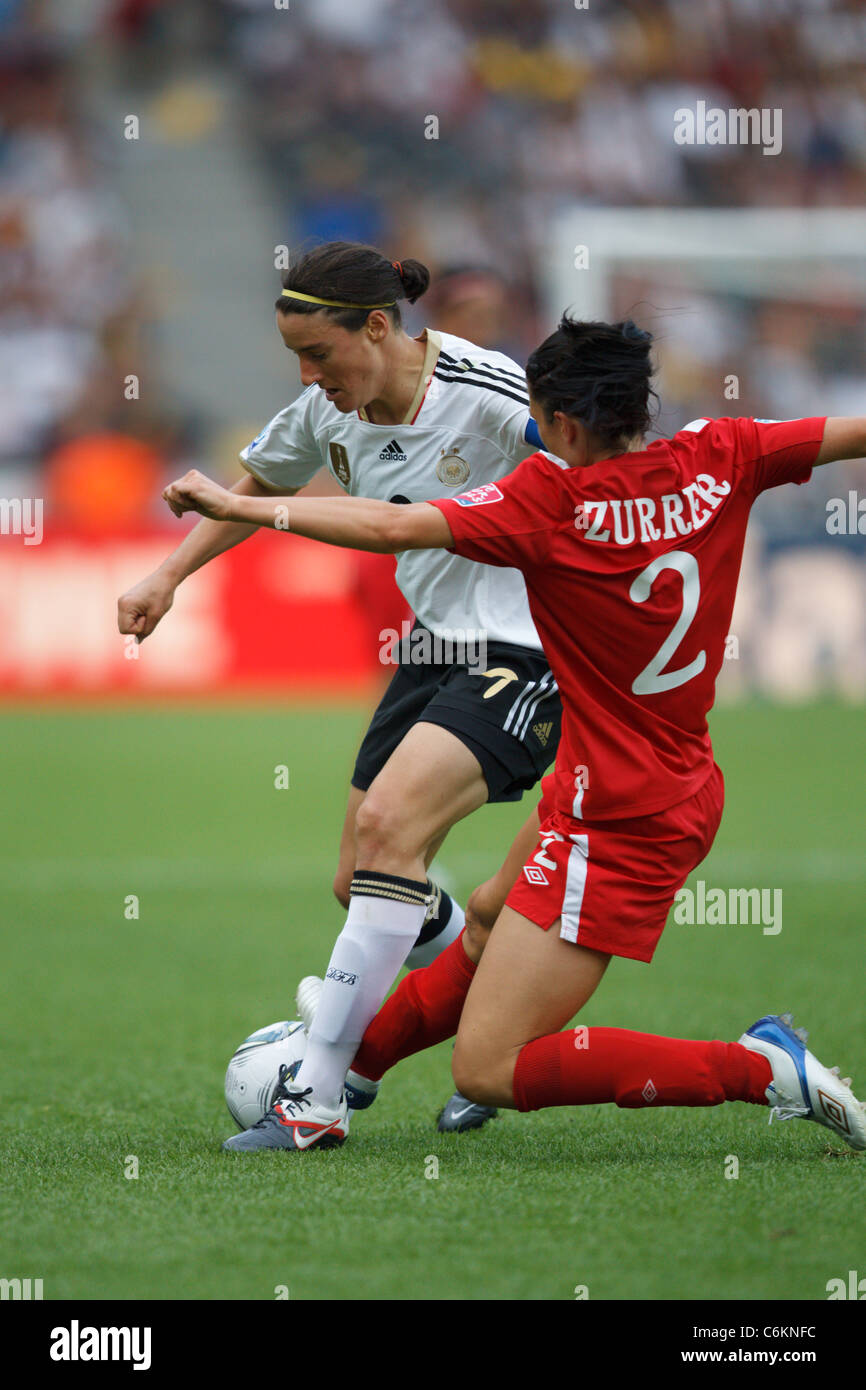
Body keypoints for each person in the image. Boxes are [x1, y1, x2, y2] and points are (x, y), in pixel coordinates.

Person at [163, 315, 865, 1154]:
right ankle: (347, 1069)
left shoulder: (553, 502)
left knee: (488, 1068)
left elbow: (392, 529)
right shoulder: (726, 450)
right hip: (644, 772)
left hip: (622, 816)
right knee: (488, 916)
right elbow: (846, 434)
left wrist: (241, 505)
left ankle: (759, 1068)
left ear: (563, 425)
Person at [118, 241, 562, 1133]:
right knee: (363, 872)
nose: (309, 374)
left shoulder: (488, 394)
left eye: (319, 354)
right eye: (296, 358)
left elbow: (598, 460)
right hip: (433, 646)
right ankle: (480, 1010)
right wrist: (168, 577)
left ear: (375, 326)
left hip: (530, 647)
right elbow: (255, 485)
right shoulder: (327, 412)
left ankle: (319, 1089)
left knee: (389, 827)